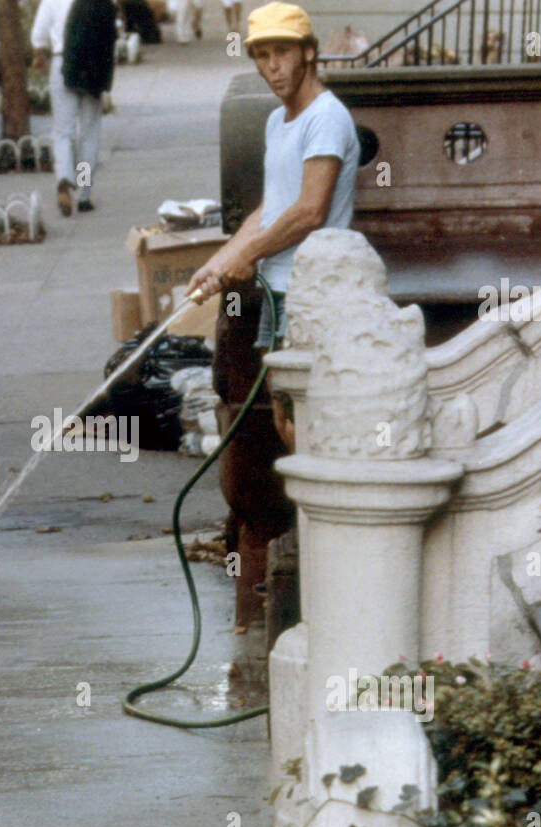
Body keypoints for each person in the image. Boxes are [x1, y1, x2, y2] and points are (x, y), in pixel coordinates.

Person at [186, 1, 358, 632]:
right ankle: (311, 547)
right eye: (261, 55)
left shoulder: (326, 119)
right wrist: (219, 260)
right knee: (285, 420)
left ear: (308, 52)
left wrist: (248, 256)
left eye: (282, 52)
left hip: (311, 292)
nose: (272, 65)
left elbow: (310, 210)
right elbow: (269, 209)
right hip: (276, 289)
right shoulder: (278, 124)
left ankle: (327, 551)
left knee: (304, 421)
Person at [32, 0, 115, 216]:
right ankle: (84, 194)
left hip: (63, 64)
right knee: (89, 133)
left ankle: (64, 180)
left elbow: (39, 33)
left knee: (63, 131)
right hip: (93, 68)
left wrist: (39, 56)